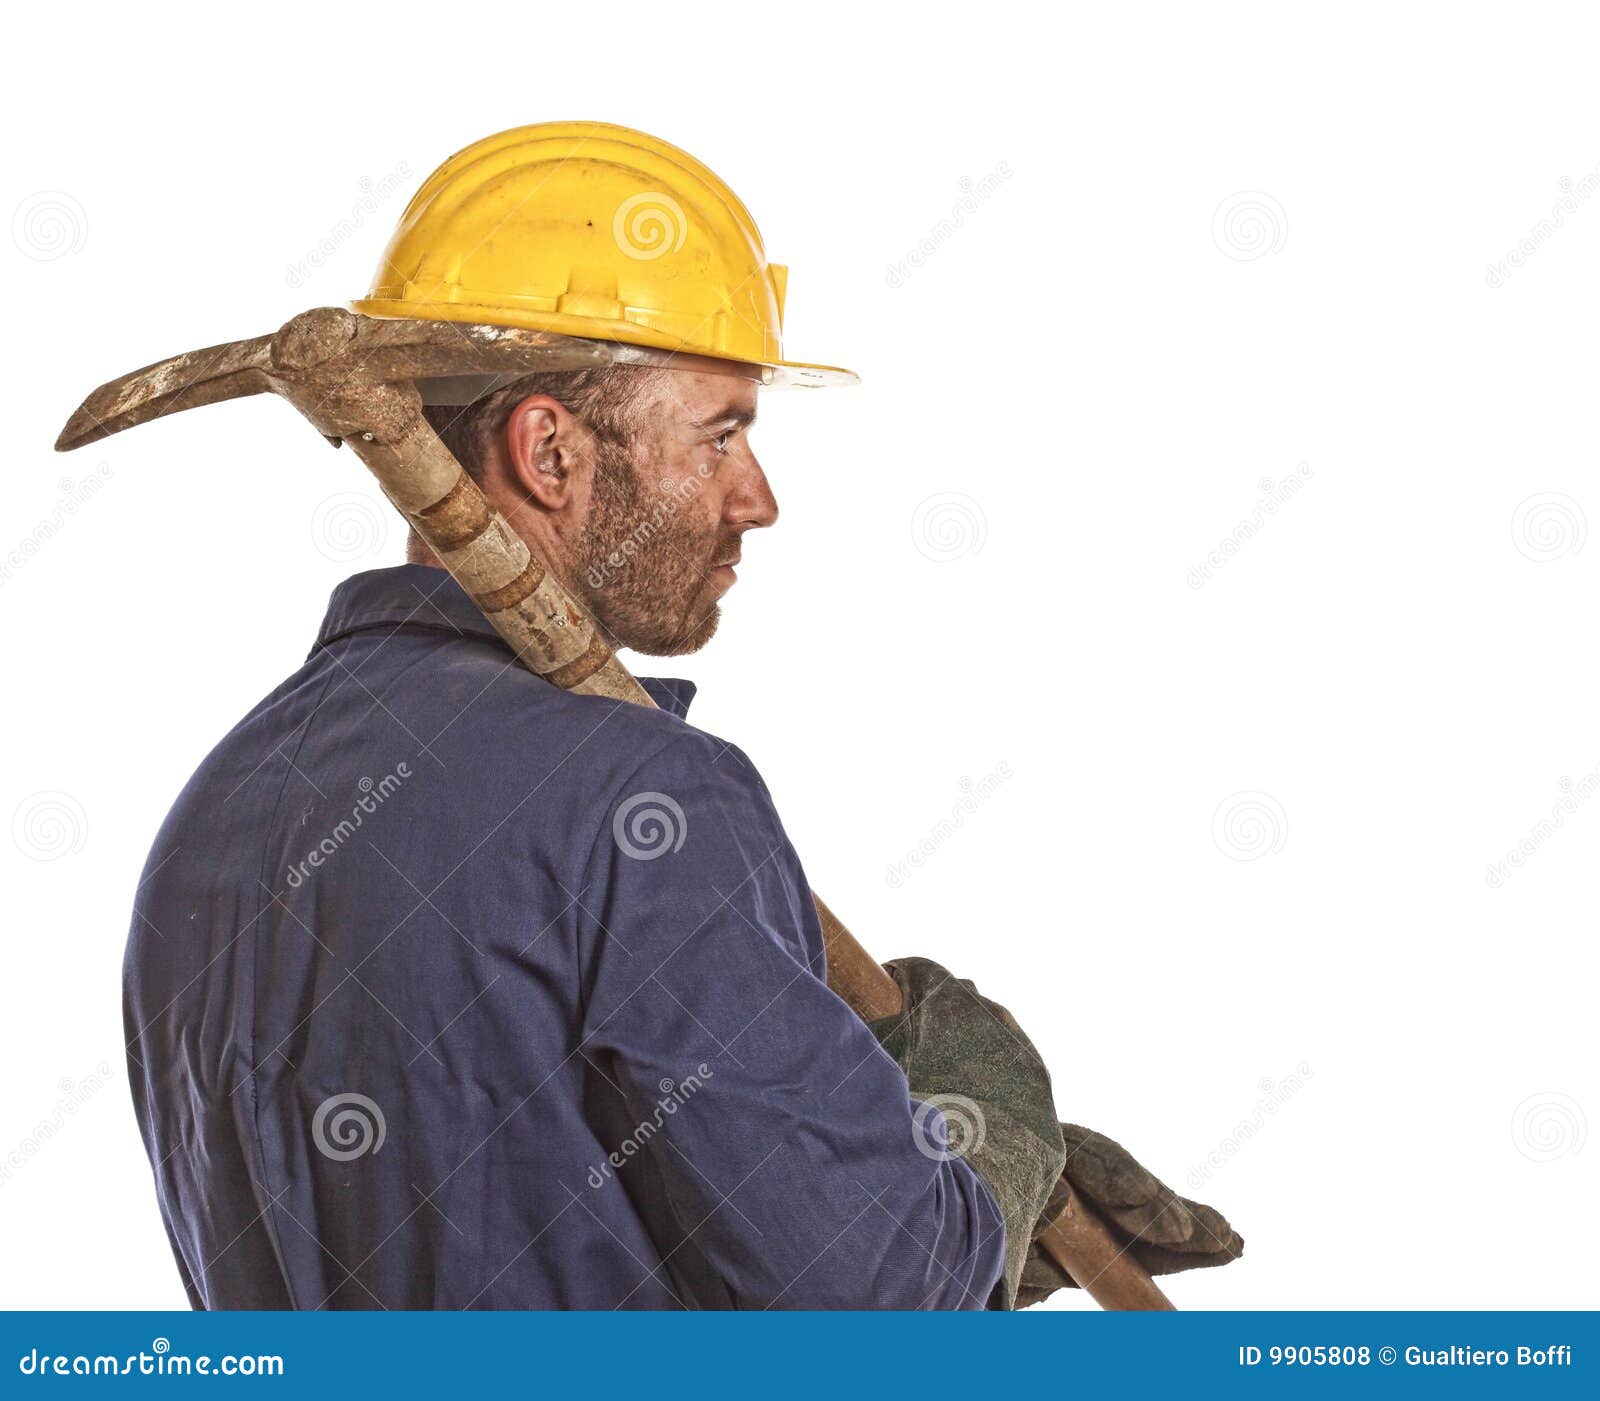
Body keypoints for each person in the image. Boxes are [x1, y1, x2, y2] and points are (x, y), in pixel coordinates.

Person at [123, 122, 1239, 1310]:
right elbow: (879, 1306)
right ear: (547, 449)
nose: (757, 499)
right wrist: (988, 1135)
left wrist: (883, 1134)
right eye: (721, 432)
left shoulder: (221, 808)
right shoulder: (643, 799)